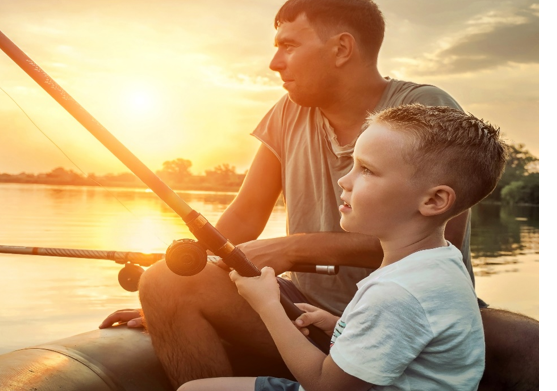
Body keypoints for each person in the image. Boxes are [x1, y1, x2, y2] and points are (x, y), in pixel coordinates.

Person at [99, 0, 538, 389]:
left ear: (341, 48)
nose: (274, 63)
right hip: (311, 315)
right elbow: (243, 218)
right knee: (165, 282)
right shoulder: (286, 113)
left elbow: (431, 232)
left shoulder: (420, 113)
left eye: (289, 46)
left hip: (408, 320)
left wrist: (295, 248)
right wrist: (179, 286)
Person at [178, 104, 501, 391]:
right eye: (353, 165)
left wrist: (268, 305)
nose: (344, 181)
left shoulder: (397, 293)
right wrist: (337, 323)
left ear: (433, 200)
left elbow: (325, 384)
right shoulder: (440, 264)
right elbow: (402, 339)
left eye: (367, 170)